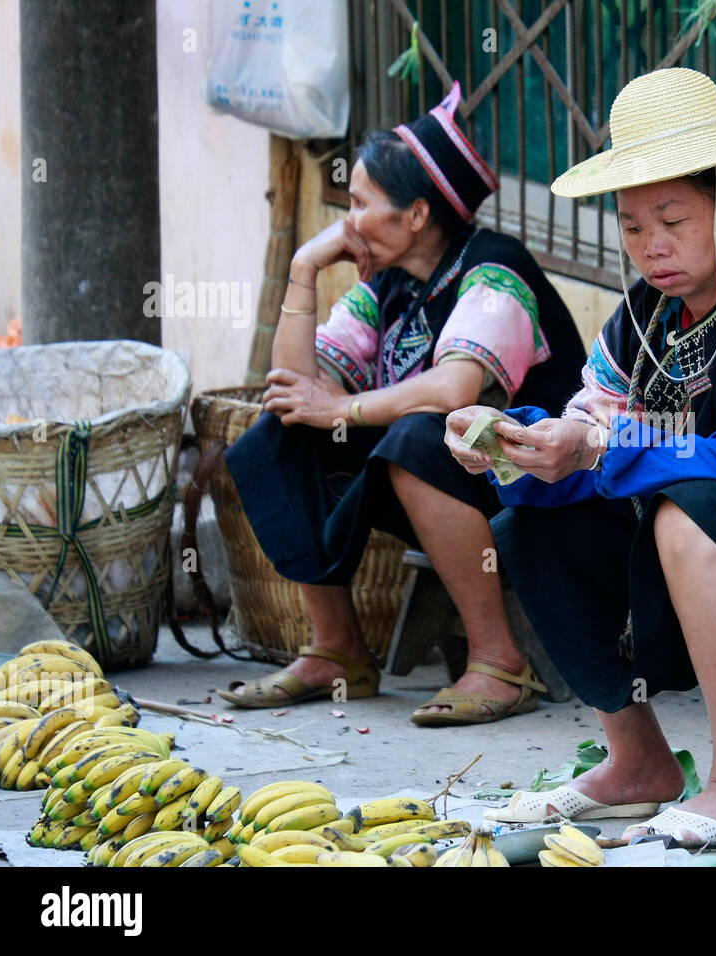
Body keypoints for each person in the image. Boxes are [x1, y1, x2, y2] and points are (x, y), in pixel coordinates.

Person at [445, 68, 716, 842]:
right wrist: (526, 438)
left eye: (672, 219)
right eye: (634, 227)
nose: (652, 246)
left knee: (688, 514)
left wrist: (602, 447)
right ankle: (637, 762)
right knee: (531, 521)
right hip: (704, 555)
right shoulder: (647, 313)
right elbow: (594, 421)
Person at [219, 83, 586, 725]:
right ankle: (337, 649)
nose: (348, 222)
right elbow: (292, 382)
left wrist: (342, 410)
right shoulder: (388, 284)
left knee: (420, 436)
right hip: (442, 477)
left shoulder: (495, 269)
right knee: (280, 430)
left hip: (534, 473)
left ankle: (501, 664)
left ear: (416, 215)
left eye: (361, 204)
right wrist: (305, 267)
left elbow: (454, 392)